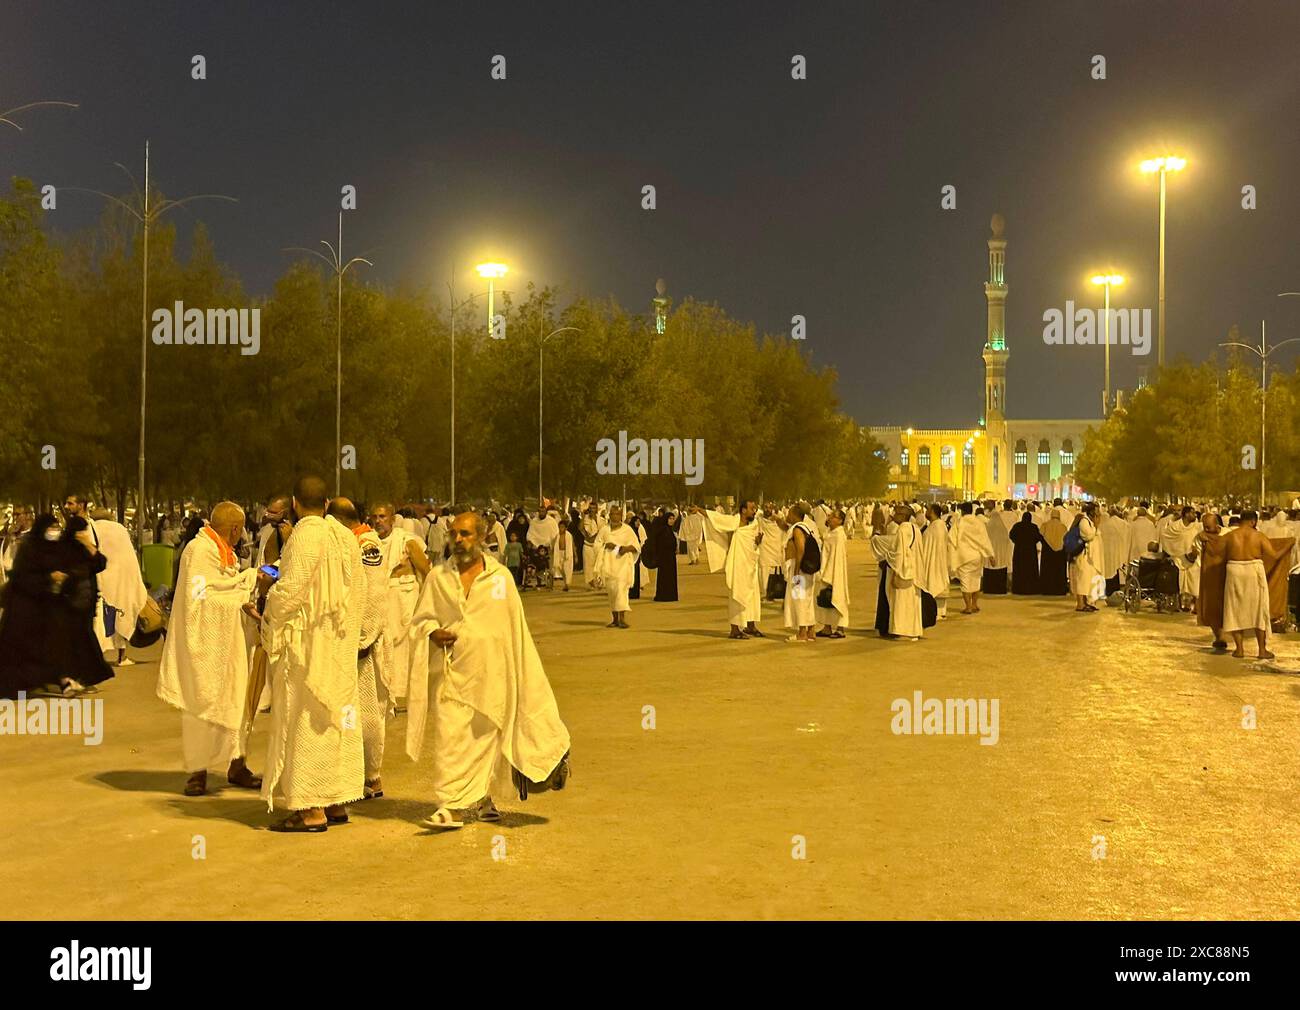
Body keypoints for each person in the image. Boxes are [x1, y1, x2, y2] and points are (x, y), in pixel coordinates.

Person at [411, 511, 571, 830]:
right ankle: (452, 806)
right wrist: (432, 631)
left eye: (466, 534)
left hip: (493, 675)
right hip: (451, 674)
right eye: (454, 533)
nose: (458, 539)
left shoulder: (500, 579)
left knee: (486, 740)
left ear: (482, 538)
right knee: (452, 738)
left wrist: (524, 678)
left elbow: (516, 632)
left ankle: (484, 798)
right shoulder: (438, 578)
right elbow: (421, 619)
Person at [259, 475, 365, 832]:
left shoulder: (306, 534)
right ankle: (335, 802)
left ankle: (310, 810)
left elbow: (291, 592)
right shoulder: (344, 537)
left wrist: (267, 602)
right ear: (327, 502)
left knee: (306, 720)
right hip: (337, 644)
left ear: (293, 501)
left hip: (308, 649)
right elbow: (357, 592)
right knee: (335, 721)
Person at [156, 501, 263, 796]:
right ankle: (197, 772)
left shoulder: (222, 551)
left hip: (230, 640)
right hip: (203, 643)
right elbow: (201, 598)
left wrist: (244, 591)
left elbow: (223, 588)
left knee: (237, 700)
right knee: (200, 706)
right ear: (235, 528)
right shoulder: (199, 550)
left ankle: (237, 765)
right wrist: (245, 587)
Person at [0, 514, 114, 698]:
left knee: (52, 648)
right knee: (22, 651)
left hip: (48, 606)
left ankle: (61, 681)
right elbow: (23, 577)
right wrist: (48, 578)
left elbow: (94, 564)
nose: (53, 532)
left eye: (55, 527)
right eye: (49, 528)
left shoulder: (57, 548)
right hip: (24, 609)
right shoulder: (29, 548)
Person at [326, 497, 390, 800]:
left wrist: (363, 639)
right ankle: (354, 775)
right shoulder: (349, 543)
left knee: (368, 714)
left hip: (365, 645)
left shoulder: (367, 545)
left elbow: (375, 594)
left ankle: (372, 777)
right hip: (347, 641)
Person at [64, 494, 147, 667]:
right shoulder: (120, 529)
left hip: (102, 577)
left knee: (100, 619)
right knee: (122, 615)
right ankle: (121, 656)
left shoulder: (92, 527)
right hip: (123, 578)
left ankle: (95, 655)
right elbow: (129, 556)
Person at [370, 502, 431, 705]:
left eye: (382, 517)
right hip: (381, 604)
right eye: (375, 517)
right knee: (382, 649)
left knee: (407, 650)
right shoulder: (369, 544)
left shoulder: (407, 542)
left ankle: (407, 695)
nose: (378, 521)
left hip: (405, 604)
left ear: (392, 519)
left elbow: (426, 572)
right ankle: (387, 695)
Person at [1218, 510, 1293, 659]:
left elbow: (1217, 553)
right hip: (1253, 570)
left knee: (1234, 609)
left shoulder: (1229, 536)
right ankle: (1261, 650)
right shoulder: (1258, 536)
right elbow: (1275, 555)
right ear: (1253, 521)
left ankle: (1239, 649)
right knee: (1259, 609)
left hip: (1234, 569)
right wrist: (1289, 544)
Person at [695, 500, 765, 639]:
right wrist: (699, 509)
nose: (754, 511)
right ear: (743, 510)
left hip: (751, 565)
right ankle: (735, 629)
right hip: (738, 565)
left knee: (752, 596)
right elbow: (717, 518)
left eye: (755, 509)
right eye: (752, 508)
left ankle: (751, 626)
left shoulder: (755, 525)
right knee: (737, 595)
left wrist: (758, 542)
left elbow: (754, 544)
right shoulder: (734, 521)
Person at [871, 503, 923, 639]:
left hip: (903, 571)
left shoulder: (902, 529)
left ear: (904, 516)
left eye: (898, 513)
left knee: (900, 603)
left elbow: (898, 553)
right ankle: (913, 631)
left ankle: (900, 630)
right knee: (912, 603)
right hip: (913, 570)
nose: (895, 515)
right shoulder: (915, 529)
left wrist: (895, 571)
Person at [592, 505, 640, 628]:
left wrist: (625, 548)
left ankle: (622, 619)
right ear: (610, 515)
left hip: (623, 564)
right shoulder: (604, 530)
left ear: (621, 516)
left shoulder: (627, 530)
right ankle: (614, 619)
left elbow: (636, 546)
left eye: (618, 514)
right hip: (609, 565)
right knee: (612, 591)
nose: (615, 516)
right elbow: (597, 545)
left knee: (621, 590)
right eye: (613, 514)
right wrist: (607, 546)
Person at [783, 504, 819, 643]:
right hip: (807, 571)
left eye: (789, 513)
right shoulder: (807, 528)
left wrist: (797, 571)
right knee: (807, 600)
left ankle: (802, 632)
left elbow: (800, 549)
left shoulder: (798, 529)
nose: (787, 515)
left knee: (799, 600)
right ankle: (811, 630)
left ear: (794, 515)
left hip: (800, 570)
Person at [952, 501, 994, 614]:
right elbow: (984, 539)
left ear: (962, 511)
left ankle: (968, 607)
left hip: (964, 556)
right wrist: (990, 555)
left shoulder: (959, 522)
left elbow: (951, 539)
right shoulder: (979, 522)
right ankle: (975, 604)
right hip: (977, 556)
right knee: (976, 581)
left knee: (965, 582)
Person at [815, 508, 849, 638]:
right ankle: (827, 627)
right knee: (825, 599)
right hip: (826, 569)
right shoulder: (830, 532)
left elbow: (837, 558)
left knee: (838, 598)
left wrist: (828, 574)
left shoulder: (839, 535)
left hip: (835, 572)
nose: (830, 517)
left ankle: (840, 628)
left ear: (840, 520)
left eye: (833, 516)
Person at [917, 503, 951, 621]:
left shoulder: (938, 526)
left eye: (928, 510)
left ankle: (939, 612)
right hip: (931, 559)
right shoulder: (934, 525)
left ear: (932, 512)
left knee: (935, 582)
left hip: (935, 561)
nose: (926, 512)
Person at [1069, 502, 1104, 612]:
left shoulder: (1089, 522)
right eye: (1097, 511)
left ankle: (1086, 603)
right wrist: (1096, 526)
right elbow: (1087, 535)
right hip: (1083, 556)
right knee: (1082, 580)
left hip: (1090, 558)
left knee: (1087, 580)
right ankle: (1080, 604)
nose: (1099, 514)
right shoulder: (1084, 521)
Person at [649, 510, 680, 602]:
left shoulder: (669, 530)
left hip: (670, 558)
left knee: (670, 577)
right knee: (664, 577)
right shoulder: (663, 530)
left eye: (673, 519)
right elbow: (661, 544)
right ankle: (664, 595)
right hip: (664, 558)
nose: (672, 521)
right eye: (670, 518)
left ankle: (670, 595)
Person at [981, 501, 1011, 595]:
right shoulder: (1003, 528)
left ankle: (989, 589)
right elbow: (1007, 541)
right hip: (1001, 556)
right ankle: (1000, 589)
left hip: (990, 556)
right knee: (1000, 568)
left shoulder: (988, 526)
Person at [1008, 512, 1042, 595]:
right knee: (1030, 570)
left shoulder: (1017, 526)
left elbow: (1011, 535)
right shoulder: (1033, 527)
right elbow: (1038, 537)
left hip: (1019, 551)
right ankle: (1031, 589)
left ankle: (1018, 589)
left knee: (1019, 569)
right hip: (1030, 552)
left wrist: (1017, 542)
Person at [1039, 508, 1069, 595]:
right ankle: (1059, 590)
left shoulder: (1045, 525)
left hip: (1048, 552)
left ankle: (1047, 589)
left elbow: (1040, 536)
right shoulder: (1063, 526)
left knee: (1048, 571)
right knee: (1058, 572)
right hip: (1060, 553)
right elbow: (1065, 539)